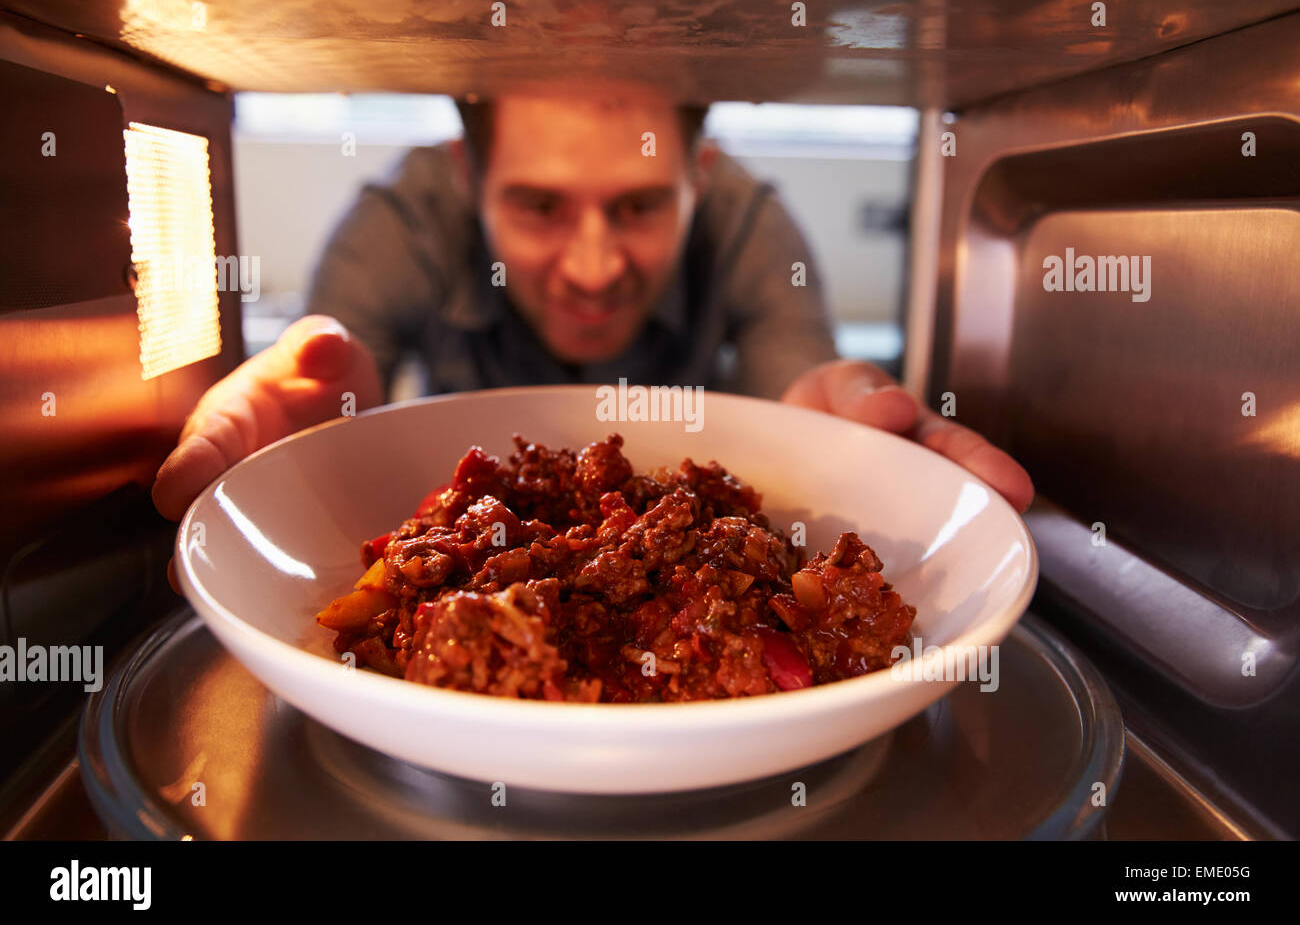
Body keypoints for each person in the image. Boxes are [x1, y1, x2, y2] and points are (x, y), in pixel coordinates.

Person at [152, 80, 1032, 586]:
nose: (593, 265)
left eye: (642, 204)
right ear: (469, 174)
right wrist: (323, 445)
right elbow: (340, 375)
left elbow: (797, 389)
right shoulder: (398, 222)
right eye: (539, 205)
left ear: (700, 176)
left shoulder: (752, 227)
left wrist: (839, 436)